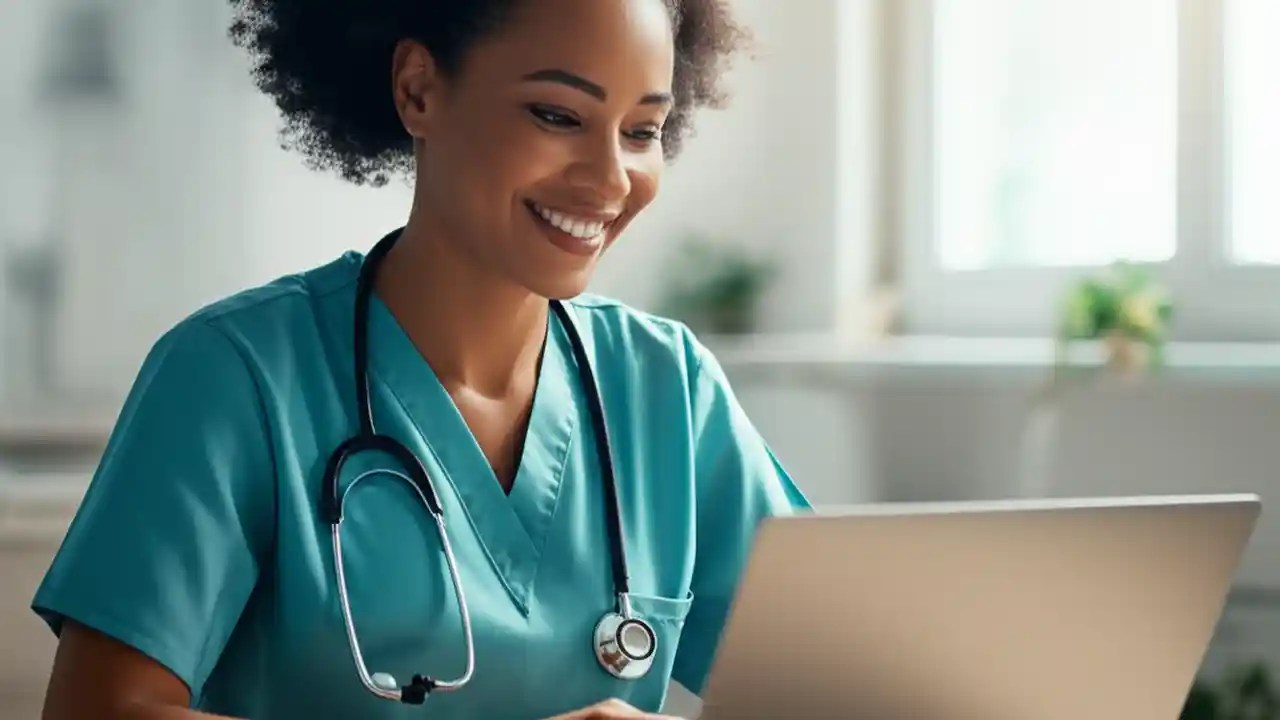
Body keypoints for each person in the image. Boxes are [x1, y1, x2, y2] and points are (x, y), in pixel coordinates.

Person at [32, 1, 809, 718]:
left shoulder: (668, 388)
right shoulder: (234, 377)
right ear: (419, 91)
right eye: (557, 114)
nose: (611, 178)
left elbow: (849, 686)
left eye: (642, 132)